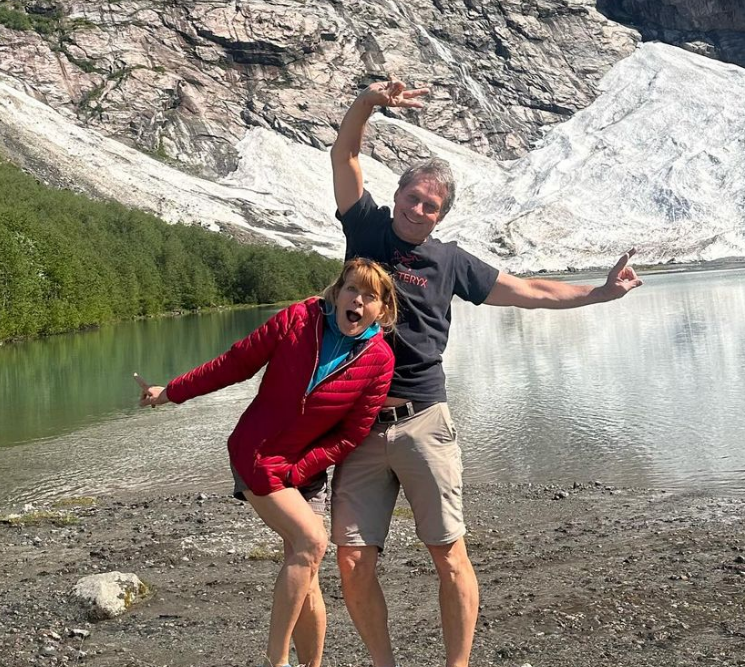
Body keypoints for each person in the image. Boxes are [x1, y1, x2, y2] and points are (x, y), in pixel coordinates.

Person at [330, 80, 643, 667]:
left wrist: (598, 294)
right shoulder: (365, 231)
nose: (418, 210)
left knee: (447, 553)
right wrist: (369, 103)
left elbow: (527, 291)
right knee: (351, 559)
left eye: (431, 205)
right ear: (395, 195)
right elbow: (344, 154)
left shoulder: (451, 262)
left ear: (441, 214)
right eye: (412, 198)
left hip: (424, 419)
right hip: (358, 423)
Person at [135, 257, 398, 667]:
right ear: (337, 291)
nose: (358, 302)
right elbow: (235, 363)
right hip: (255, 455)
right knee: (312, 543)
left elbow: (350, 435)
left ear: (382, 310)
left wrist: (300, 469)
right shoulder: (298, 319)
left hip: (303, 470)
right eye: (352, 290)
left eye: (370, 296)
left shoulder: (378, 360)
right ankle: (276, 661)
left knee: (306, 571)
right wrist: (172, 391)